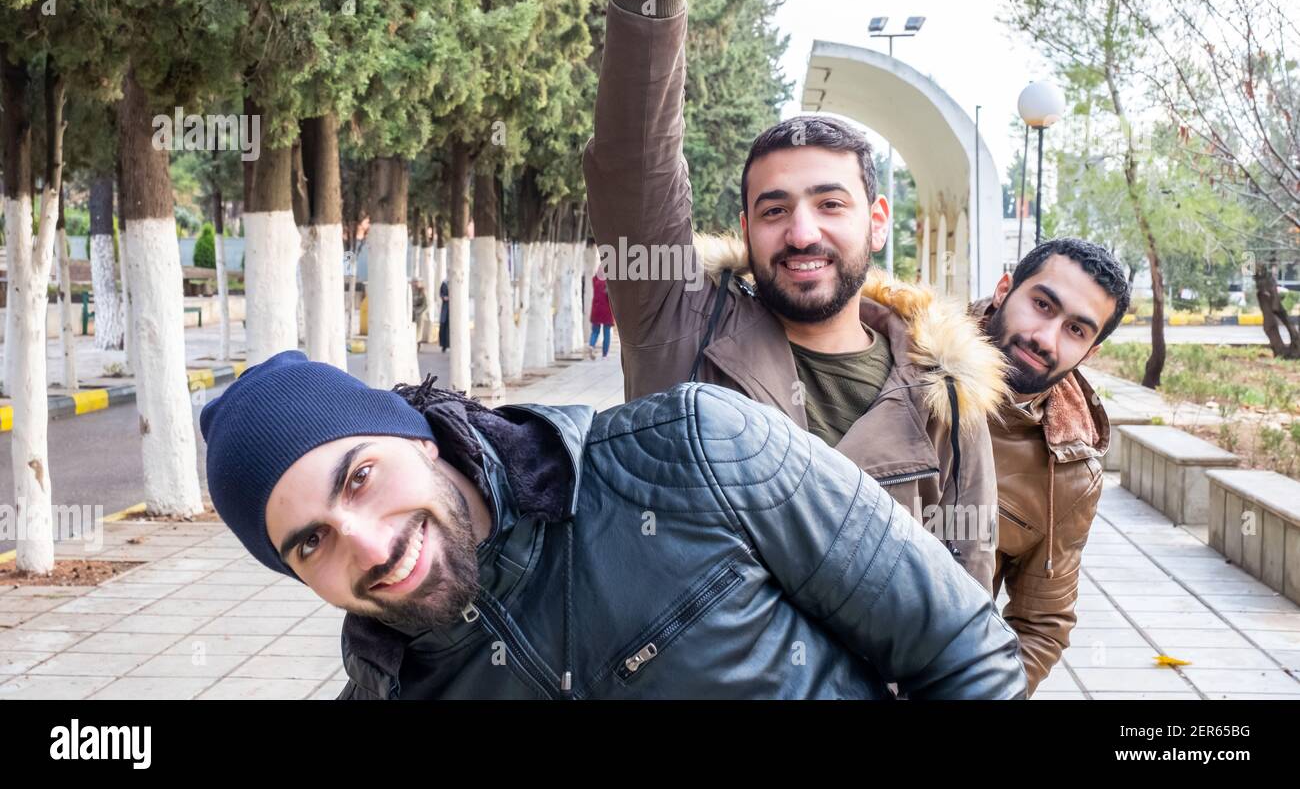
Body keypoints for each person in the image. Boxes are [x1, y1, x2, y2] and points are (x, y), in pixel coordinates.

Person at [582, 0, 1004, 590]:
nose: (802, 232)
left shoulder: (946, 392)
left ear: (876, 220)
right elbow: (631, 159)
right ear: (745, 230)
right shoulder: (681, 327)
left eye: (828, 204)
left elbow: (967, 598)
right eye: (774, 209)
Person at [199, 350, 1026, 700]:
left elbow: (964, 652)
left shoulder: (698, 450)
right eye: (311, 542)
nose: (371, 546)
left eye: (361, 477)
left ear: (416, 434)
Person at [972, 237, 1130, 695]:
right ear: (1005, 289)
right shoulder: (898, 349)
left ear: (1090, 352)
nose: (1045, 339)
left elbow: (1041, 624)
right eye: (1042, 304)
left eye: (1076, 330)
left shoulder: (1070, 471)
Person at [588, 265, 614, 359]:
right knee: (606, 333)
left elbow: (595, 276)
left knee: (595, 331)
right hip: (607, 311)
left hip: (596, 310)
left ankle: (591, 345)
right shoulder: (609, 283)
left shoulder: (595, 281)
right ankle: (605, 354)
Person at [438, 279, 450, 353]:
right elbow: (441, 293)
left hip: (454, 309)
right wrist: (444, 297)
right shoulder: (444, 283)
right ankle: (444, 346)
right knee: (443, 326)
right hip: (445, 308)